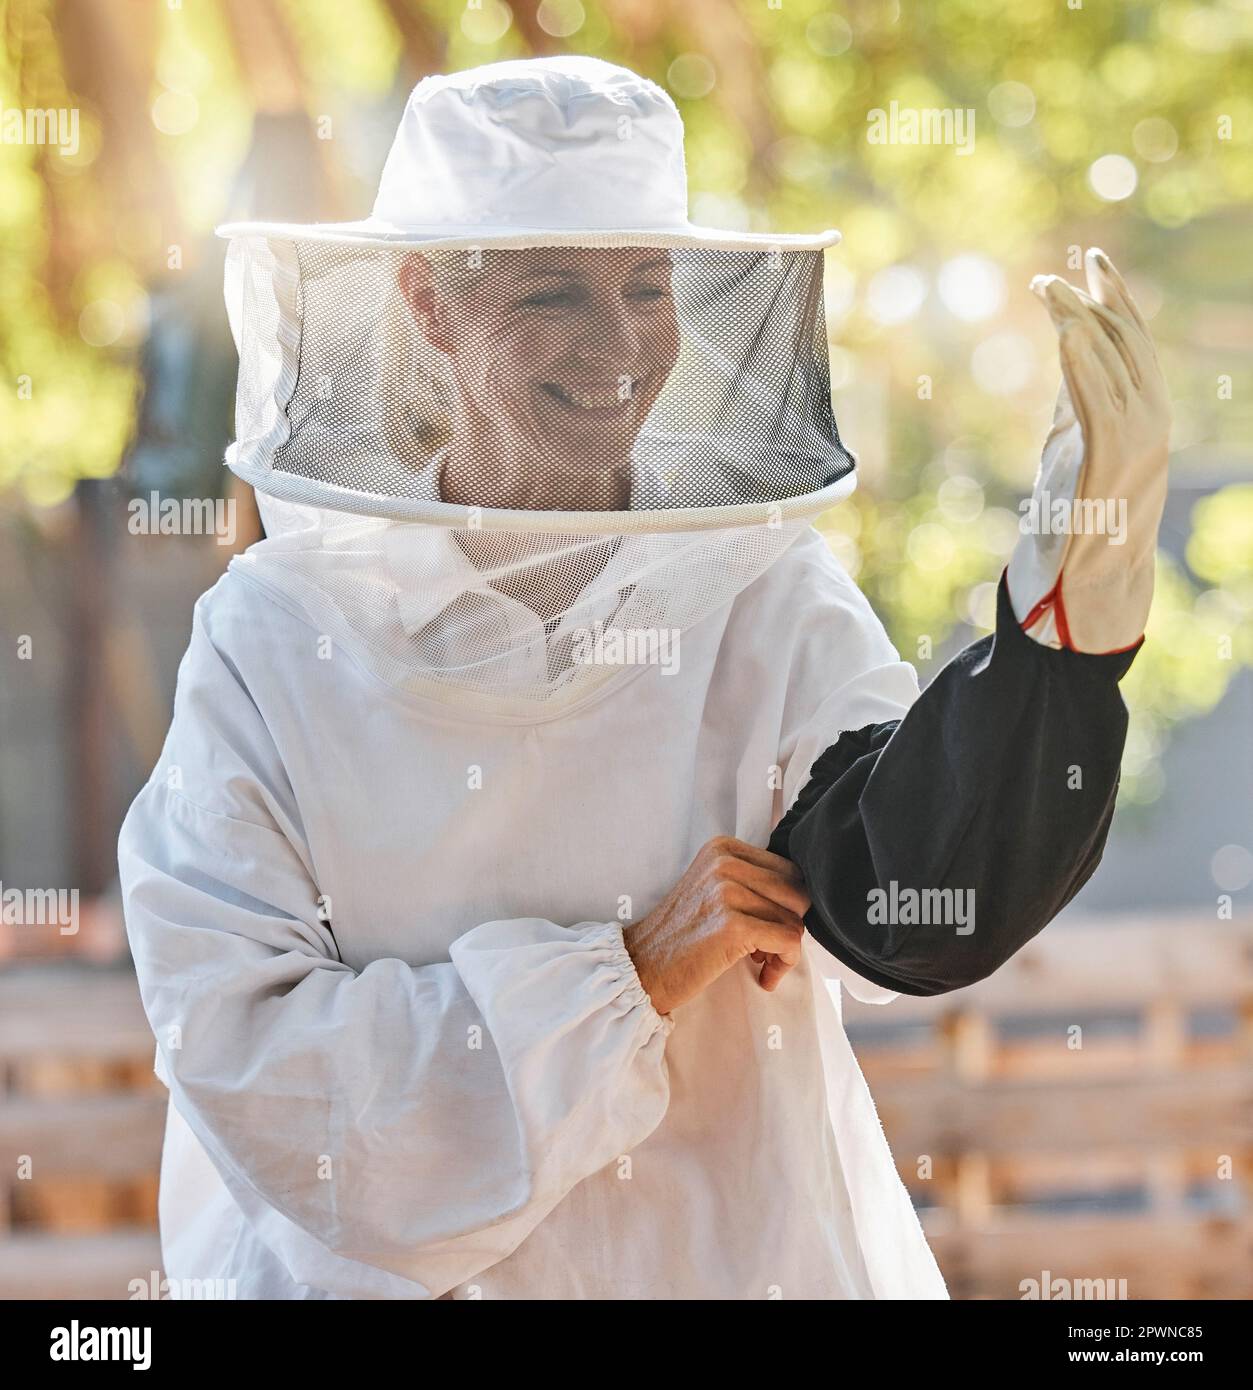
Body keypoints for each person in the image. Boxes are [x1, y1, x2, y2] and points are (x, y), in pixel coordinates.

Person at [118, 56, 1170, 1299]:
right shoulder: (277, 638)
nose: (619, 346)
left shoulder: (760, 594)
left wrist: (1058, 641)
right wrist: (624, 972)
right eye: (555, 294)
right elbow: (247, 1052)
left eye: (647, 287)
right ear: (426, 303)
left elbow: (900, 889)